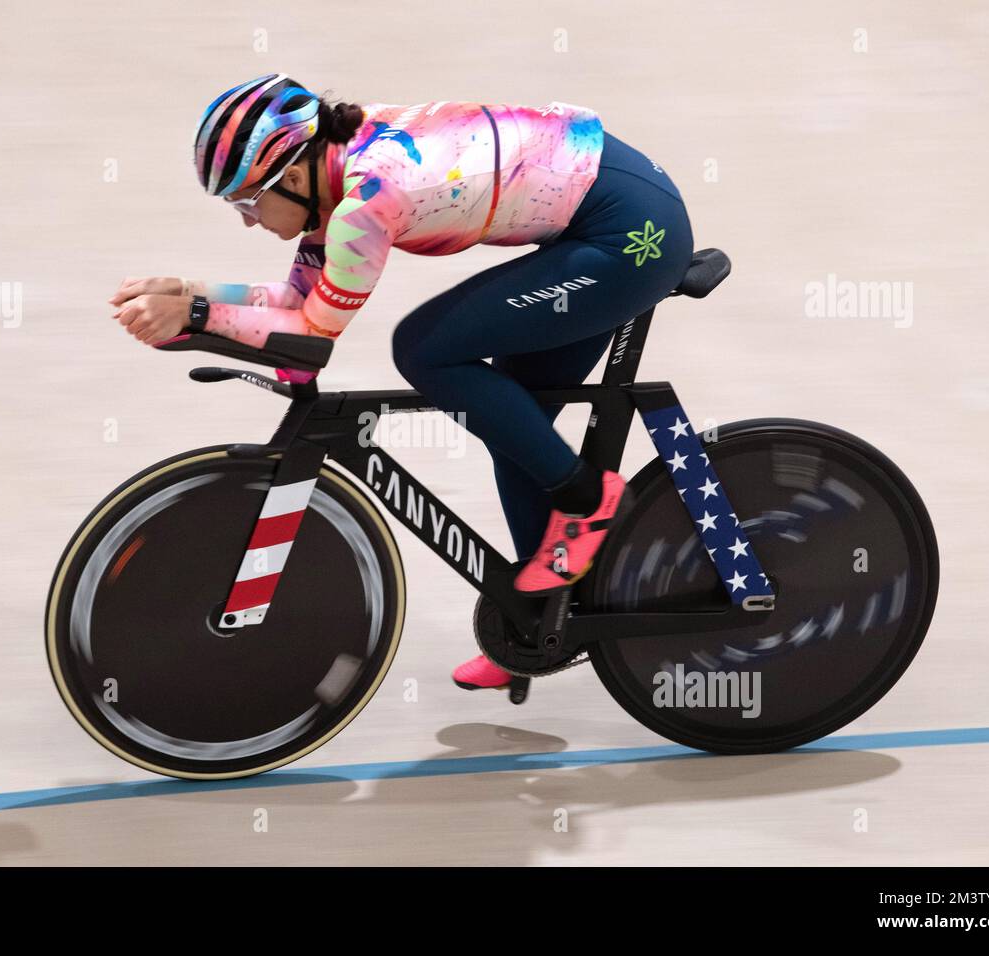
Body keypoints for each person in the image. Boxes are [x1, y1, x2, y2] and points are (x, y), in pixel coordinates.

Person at [110, 73, 694, 693]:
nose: (248, 221)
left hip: (630, 238)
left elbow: (310, 337)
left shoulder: (368, 198)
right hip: (609, 212)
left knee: (424, 350)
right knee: (516, 420)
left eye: (248, 201)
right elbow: (295, 298)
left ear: (296, 175)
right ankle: (541, 619)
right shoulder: (333, 175)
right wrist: (192, 292)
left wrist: (196, 317)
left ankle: (586, 499)